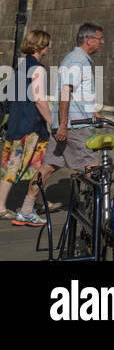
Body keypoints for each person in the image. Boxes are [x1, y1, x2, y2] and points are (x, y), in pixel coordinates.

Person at [34, 23, 106, 207]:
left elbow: (76, 95)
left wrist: (93, 112)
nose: (102, 42)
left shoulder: (77, 60)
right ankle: (103, 207)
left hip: (71, 122)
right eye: (100, 39)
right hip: (74, 126)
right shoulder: (76, 62)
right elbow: (65, 94)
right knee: (92, 166)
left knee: (48, 167)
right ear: (88, 40)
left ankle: (27, 208)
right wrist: (64, 125)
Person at [1, 29, 53, 224]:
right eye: (48, 44)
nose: (50, 47)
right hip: (30, 126)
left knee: (12, 165)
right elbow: (39, 100)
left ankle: (38, 201)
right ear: (40, 46)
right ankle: (9, 206)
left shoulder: (19, 68)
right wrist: (51, 121)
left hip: (16, 123)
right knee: (39, 165)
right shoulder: (37, 69)